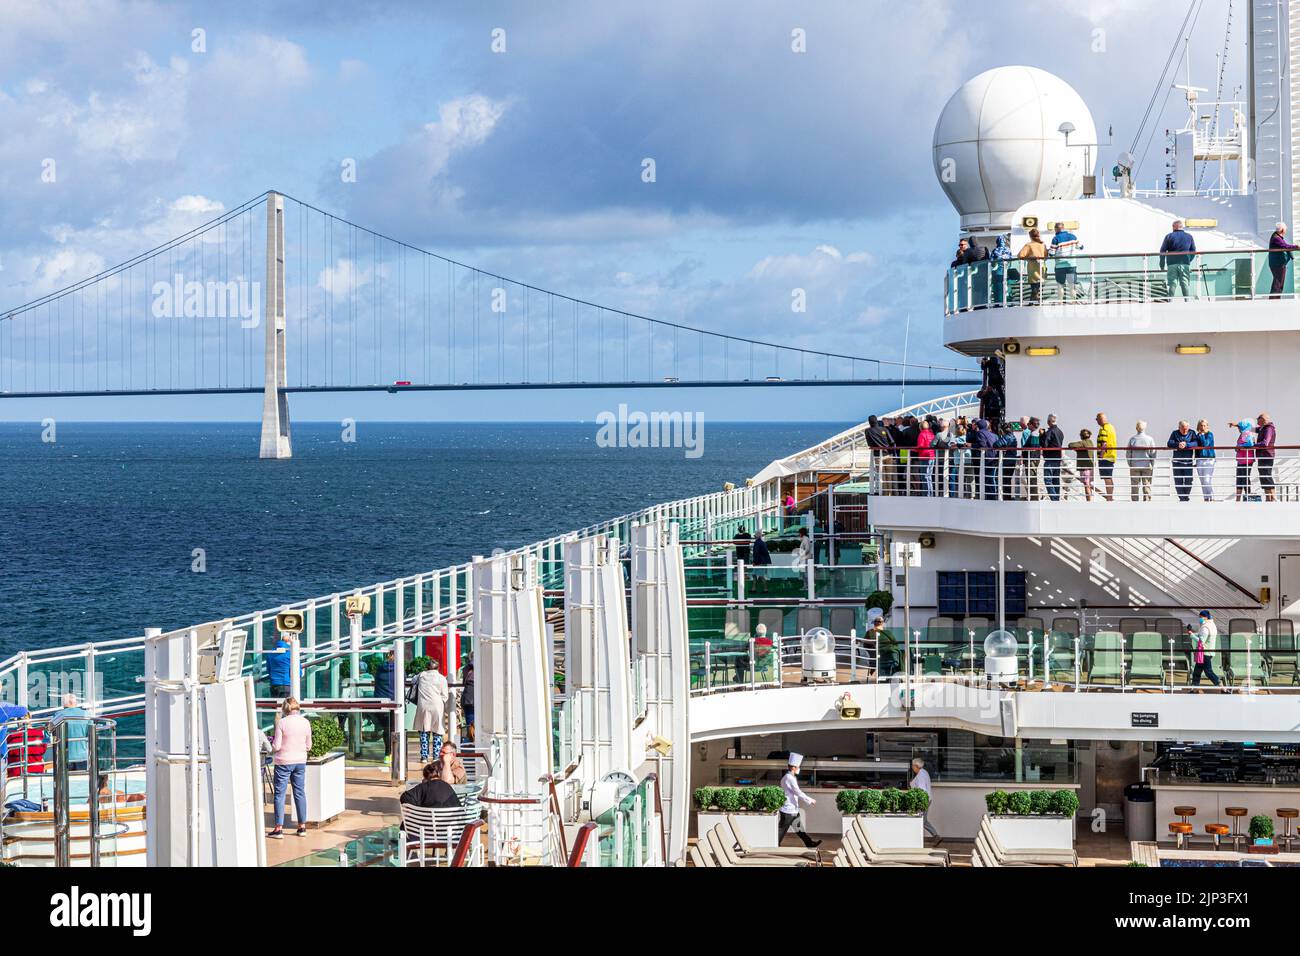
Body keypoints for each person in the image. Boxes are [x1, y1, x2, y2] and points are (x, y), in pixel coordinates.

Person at [269, 697, 312, 839]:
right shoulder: (306, 722)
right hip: (300, 761)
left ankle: (278, 829)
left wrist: (271, 747)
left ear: (285, 709)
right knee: (299, 792)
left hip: (283, 762)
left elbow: (277, 746)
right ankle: (302, 827)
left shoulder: (282, 723)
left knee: (280, 795)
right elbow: (309, 746)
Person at [778, 753, 821, 848]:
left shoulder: (789, 777)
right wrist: (810, 800)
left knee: (799, 829)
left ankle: (809, 843)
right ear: (793, 767)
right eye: (798, 767)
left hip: (792, 809)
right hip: (788, 810)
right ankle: (773, 845)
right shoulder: (789, 778)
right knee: (781, 831)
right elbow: (798, 792)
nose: (799, 768)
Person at [414, 659, 451, 762]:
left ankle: (424, 756)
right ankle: (436, 756)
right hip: (437, 706)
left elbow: (413, 681)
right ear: (437, 668)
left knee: (423, 731)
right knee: (437, 731)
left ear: (427, 667)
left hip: (423, 706)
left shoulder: (421, 675)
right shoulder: (441, 678)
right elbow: (445, 696)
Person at [1159, 220, 1197, 300]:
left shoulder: (1169, 236)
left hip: (1172, 264)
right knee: (1185, 283)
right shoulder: (1189, 236)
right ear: (1181, 227)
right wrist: (1188, 260)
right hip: (1184, 263)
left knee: (1172, 283)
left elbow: (1162, 251)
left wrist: (1162, 265)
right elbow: (1193, 251)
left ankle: (1170, 301)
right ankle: (1187, 301)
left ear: (1174, 227)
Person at [53, 693, 90, 772]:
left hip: (65, 756)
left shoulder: (59, 715)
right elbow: (90, 732)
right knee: (82, 781)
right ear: (75, 703)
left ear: (64, 704)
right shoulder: (86, 714)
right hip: (82, 756)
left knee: (65, 782)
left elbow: (51, 732)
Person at [372, 650, 396, 761]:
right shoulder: (399, 670)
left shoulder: (379, 669)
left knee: (387, 728)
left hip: (380, 703)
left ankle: (388, 753)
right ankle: (392, 753)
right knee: (392, 728)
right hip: (394, 703)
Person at [910, 757, 940, 842]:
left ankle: (916, 840)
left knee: (920, 820)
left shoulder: (921, 775)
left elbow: (922, 790)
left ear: (916, 766)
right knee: (924, 820)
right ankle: (936, 836)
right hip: (927, 799)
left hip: (924, 800)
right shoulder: (923, 772)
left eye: (913, 765)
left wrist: (919, 802)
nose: (912, 767)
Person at [1126, 421, 1157, 501]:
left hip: (1135, 465)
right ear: (1145, 428)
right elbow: (1153, 453)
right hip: (1146, 465)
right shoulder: (1150, 439)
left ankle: (1135, 501)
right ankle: (1146, 500)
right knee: (1147, 484)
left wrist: (1130, 463)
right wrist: (1152, 464)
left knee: (1134, 485)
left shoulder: (1132, 439)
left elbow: (1128, 453)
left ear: (1136, 428)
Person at [1165, 420, 1195, 502]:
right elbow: (1169, 443)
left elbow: (1196, 443)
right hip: (1177, 462)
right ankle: (1182, 499)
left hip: (1188, 462)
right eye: (1183, 428)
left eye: (1186, 428)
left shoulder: (1192, 433)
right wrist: (1178, 444)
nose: (1185, 430)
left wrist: (1186, 444)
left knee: (1189, 481)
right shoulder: (1174, 433)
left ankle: (1186, 497)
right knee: (1178, 481)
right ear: (1179, 428)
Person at [1017, 227, 1048, 303]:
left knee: (1034, 287)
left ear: (1030, 236)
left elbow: (1020, 255)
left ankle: (1033, 302)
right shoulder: (1043, 244)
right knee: (1039, 287)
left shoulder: (1029, 245)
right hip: (1042, 267)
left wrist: (1029, 258)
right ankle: (1037, 302)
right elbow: (1046, 256)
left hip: (1033, 268)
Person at [1049, 222, 1081, 299]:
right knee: (1072, 285)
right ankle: (1073, 302)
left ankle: (1060, 303)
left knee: (1060, 285)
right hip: (1071, 265)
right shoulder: (1073, 236)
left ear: (1056, 229)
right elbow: (1080, 247)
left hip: (1060, 266)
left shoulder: (1055, 239)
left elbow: (1051, 253)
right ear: (1063, 228)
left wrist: (1049, 251)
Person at [1268, 222, 1298, 299]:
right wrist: (1296, 246)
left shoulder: (1277, 236)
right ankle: (1273, 300)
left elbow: (1284, 246)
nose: (1286, 231)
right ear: (1282, 230)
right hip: (1277, 264)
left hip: (1278, 263)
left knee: (1278, 282)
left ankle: (1275, 299)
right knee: (1278, 282)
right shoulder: (1276, 238)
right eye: (1285, 229)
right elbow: (1285, 246)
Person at [265, 632, 300, 699]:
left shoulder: (271, 652)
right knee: (286, 706)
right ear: (289, 642)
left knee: (275, 706)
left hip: (274, 684)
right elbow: (298, 671)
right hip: (287, 684)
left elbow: (268, 669)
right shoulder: (291, 652)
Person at [1191, 611, 1220, 687]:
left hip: (1204, 653)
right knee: (1197, 671)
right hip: (1208, 652)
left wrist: (1192, 636)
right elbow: (1204, 636)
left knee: (1208, 672)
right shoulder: (1212, 625)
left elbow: (1202, 640)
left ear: (1205, 617)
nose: (1199, 619)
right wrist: (1195, 634)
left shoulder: (1205, 627)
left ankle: (1221, 686)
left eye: (1200, 617)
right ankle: (1194, 688)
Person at [1041, 414, 1065, 501]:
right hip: (1057, 458)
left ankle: (1054, 498)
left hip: (1050, 458)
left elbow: (1045, 445)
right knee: (1056, 480)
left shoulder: (1050, 432)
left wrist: (1042, 435)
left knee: (1048, 480)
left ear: (1049, 421)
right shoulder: (1060, 432)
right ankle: (1057, 499)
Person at [1232, 419, 1256, 501]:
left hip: (1246, 459)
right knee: (1240, 478)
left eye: (1239, 427)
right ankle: (1239, 498)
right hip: (1242, 459)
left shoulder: (1246, 433)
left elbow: (1250, 444)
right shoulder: (1244, 433)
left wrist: (1239, 446)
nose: (1238, 429)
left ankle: (1247, 496)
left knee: (1244, 478)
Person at [1095, 413, 1117, 501]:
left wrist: (1101, 455)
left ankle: (1109, 498)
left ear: (1100, 419)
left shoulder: (1103, 428)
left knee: (1107, 478)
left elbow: (1104, 444)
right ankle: (1110, 497)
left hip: (1105, 457)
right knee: (1109, 477)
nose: (1096, 421)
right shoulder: (1111, 427)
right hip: (1111, 455)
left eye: (1096, 419)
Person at [1068, 429, 1096, 501]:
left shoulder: (1083, 443)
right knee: (1088, 484)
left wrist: (1077, 448)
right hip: (1090, 467)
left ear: (1081, 436)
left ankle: (1089, 501)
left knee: (1086, 485)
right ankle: (1090, 500)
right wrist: (1078, 449)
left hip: (1085, 467)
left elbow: (1070, 445)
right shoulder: (1090, 442)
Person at [1193, 419, 1216, 501]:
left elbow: (1205, 444)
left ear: (1207, 426)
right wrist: (1195, 460)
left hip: (1209, 460)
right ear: (1198, 426)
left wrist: (1202, 435)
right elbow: (1196, 448)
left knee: (1207, 480)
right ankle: (1206, 498)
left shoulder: (1210, 434)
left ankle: (1212, 497)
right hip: (1199, 460)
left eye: (1204, 425)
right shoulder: (1197, 435)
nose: (1203, 427)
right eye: (1201, 425)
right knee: (1202, 481)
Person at [1256, 412, 1277, 502]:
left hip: (1267, 455)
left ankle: (1273, 497)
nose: (1257, 421)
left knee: (1267, 475)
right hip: (1262, 455)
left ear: (1262, 419)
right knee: (1263, 476)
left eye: (1258, 419)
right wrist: (1238, 425)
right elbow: (1251, 429)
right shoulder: (1262, 428)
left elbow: (1265, 443)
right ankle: (1268, 498)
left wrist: (1253, 445)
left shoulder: (1268, 428)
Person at [1021, 417, 1042, 500]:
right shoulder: (1035, 433)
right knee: (1032, 478)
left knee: (1031, 478)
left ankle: (1034, 497)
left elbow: (1033, 448)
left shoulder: (1034, 434)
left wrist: (1027, 455)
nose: (1027, 425)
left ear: (1031, 425)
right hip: (1033, 459)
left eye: (1028, 424)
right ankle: (1034, 496)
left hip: (1031, 459)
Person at [990, 234, 1014, 305]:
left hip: (997, 272)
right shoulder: (1008, 250)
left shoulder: (995, 250)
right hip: (1007, 271)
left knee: (998, 288)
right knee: (1007, 287)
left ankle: (998, 302)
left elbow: (992, 263)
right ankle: (1008, 302)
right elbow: (1011, 261)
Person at [948, 423, 971, 498]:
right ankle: (969, 495)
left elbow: (951, 446)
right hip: (968, 460)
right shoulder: (967, 437)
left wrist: (958, 445)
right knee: (968, 479)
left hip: (960, 461)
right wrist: (963, 445)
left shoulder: (955, 439)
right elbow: (951, 446)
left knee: (962, 479)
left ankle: (963, 494)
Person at [916, 418, 936, 496]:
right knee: (929, 476)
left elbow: (920, 446)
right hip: (932, 456)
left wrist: (913, 450)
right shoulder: (932, 434)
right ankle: (930, 493)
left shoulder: (921, 434)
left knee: (925, 476)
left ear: (920, 427)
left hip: (924, 457)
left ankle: (927, 494)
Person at [460, 661, 475, 741]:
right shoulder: (482, 667)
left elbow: (463, 683)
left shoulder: (466, 669)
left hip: (468, 699)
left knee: (470, 723)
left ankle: (471, 742)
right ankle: (473, 742)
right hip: (473, 699)